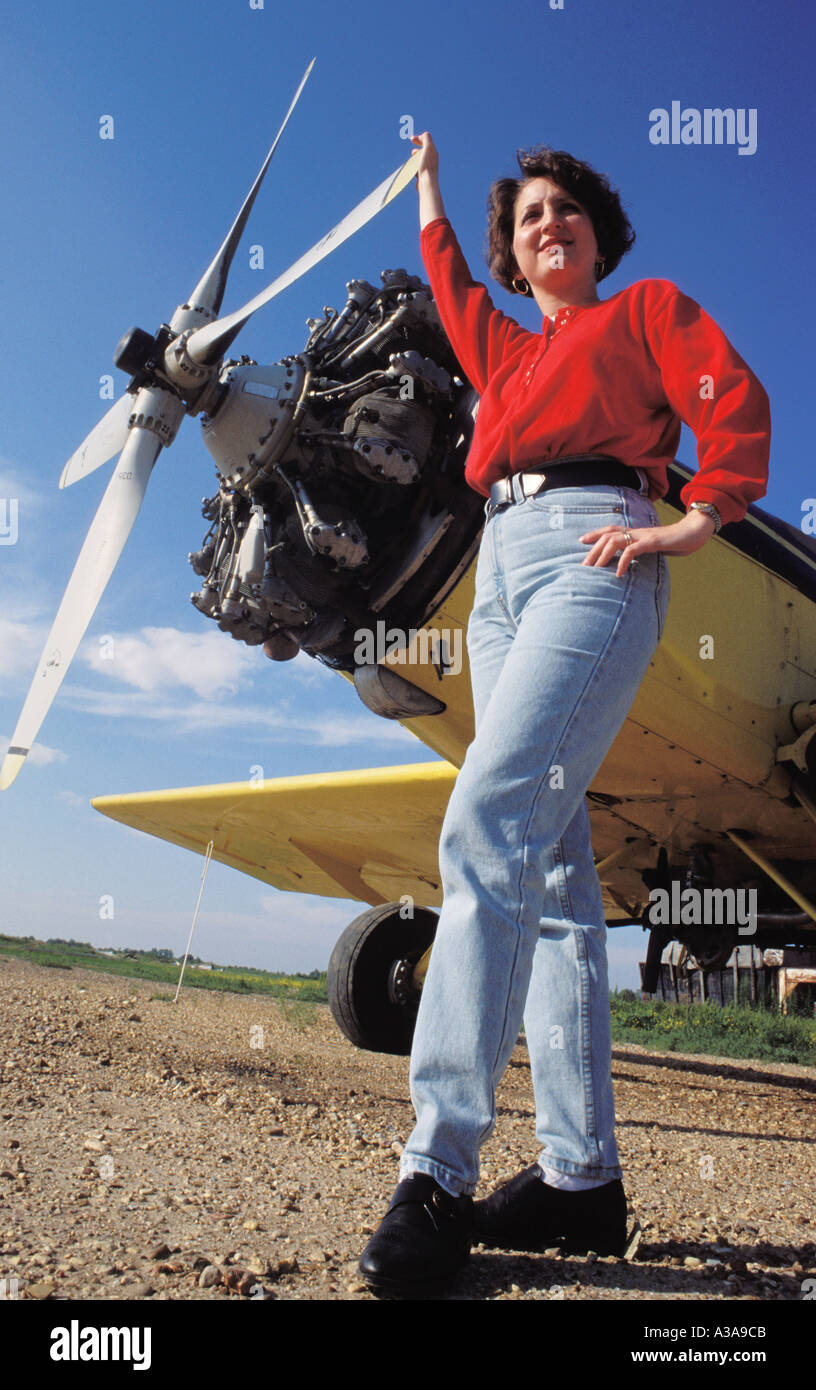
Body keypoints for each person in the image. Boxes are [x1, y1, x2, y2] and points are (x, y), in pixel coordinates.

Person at [358, 131, 770, 1297]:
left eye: (566, 210)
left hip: (599, 547)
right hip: (501, 572)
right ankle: (583, 1182)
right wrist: (428, 179)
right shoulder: (502, 351)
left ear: (596, 234)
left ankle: (436, 1169)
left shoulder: (643, 312)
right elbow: (442, 266)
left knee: (486, 821)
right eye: (529, 217)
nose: (548, 223)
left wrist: (691, 522)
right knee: (547, 864)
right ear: (517, 251)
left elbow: (731, 398)